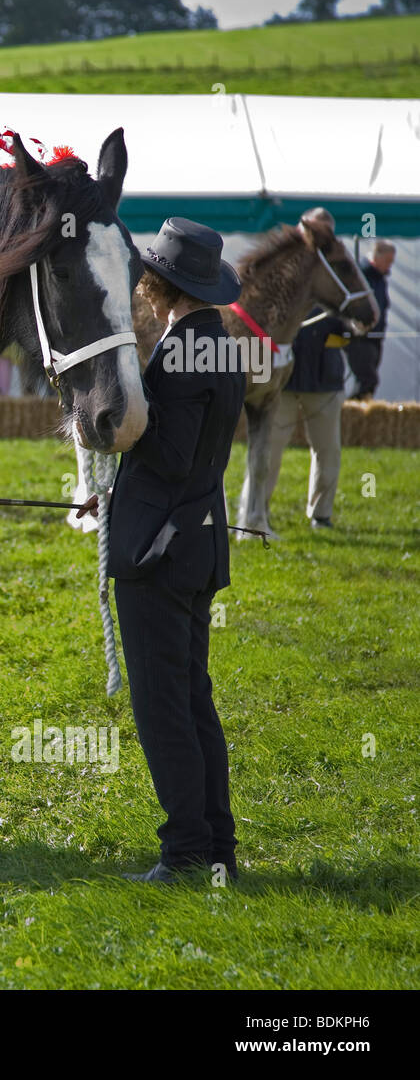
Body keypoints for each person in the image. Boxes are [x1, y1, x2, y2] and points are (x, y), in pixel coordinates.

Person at [107, 217, 248, 884]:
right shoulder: (217, 344)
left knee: (164, 706)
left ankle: (187, 849)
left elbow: (170, 454)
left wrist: (123, 425)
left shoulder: (179, 351)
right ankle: (216, 844)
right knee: (193, 699)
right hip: (196, 542)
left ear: (163, 282)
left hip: (159, 553)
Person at [267, 310, 353, 530]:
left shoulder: (338, 282)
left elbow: (354, 326)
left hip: (324, 381)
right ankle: (257, 510)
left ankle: (321, 515)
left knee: (327, 449)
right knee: (269, 448)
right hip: (281, 380)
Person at [345, 240, 393, 400]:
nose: (389, 265)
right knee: (367, 381)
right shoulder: (360, 275)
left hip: (375, 339)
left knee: (369, 383)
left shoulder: (380, 278)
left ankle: (361, 411)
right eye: (387, 261)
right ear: (376, 256)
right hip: (360, 339)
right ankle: (352, 415)